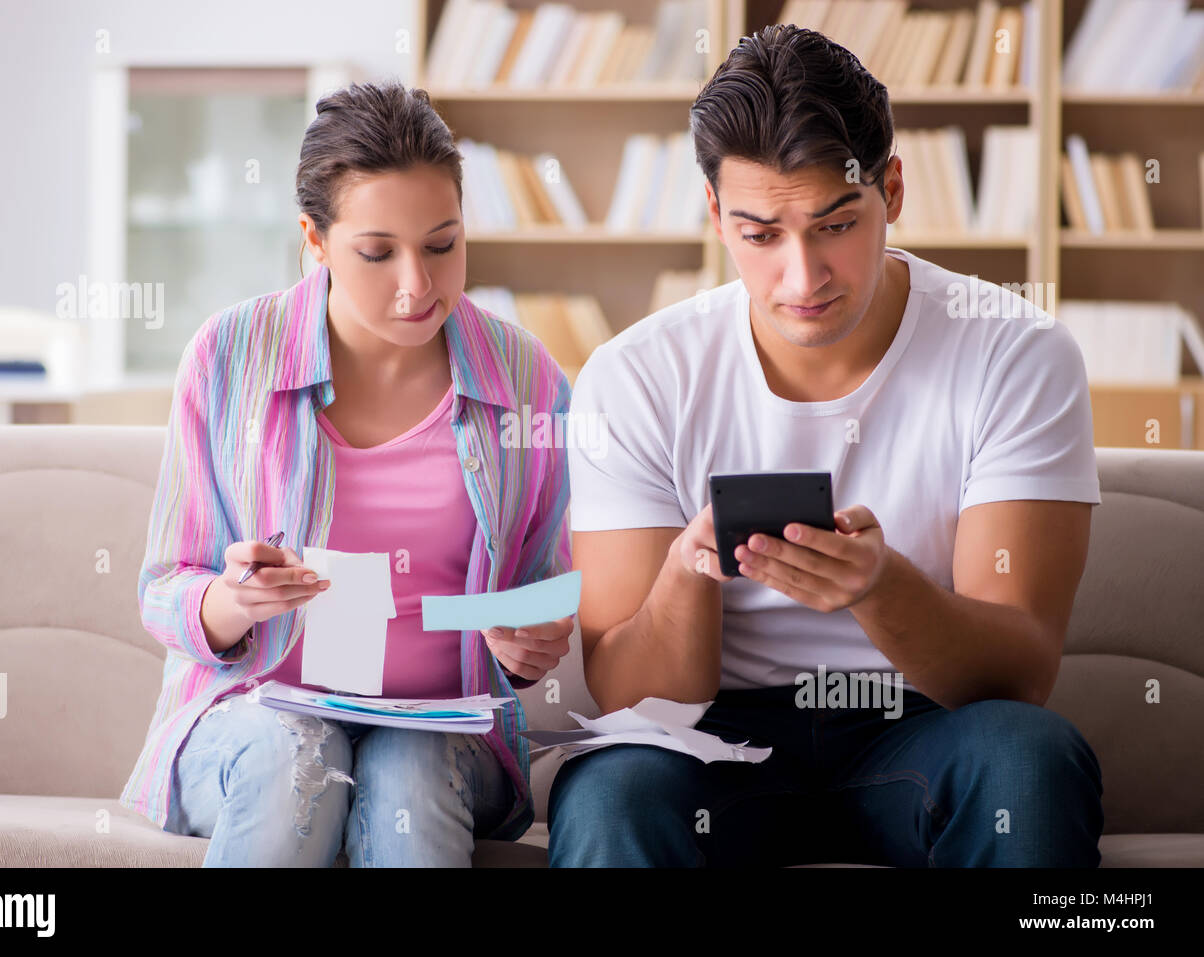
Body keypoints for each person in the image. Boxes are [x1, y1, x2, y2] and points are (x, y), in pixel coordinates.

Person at [548, 24, 1104, 867]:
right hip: (713, 736)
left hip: (925, 723)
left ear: (893, 187)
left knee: (1028, 762)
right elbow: (633, 698)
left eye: (836, 224)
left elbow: (1020, 674)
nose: (802, 279)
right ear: (715, 216)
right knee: (612, 795)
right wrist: (687, 572)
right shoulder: (635, 377)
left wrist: (881, 589)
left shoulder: (1015, 354)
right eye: (762, 234)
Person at [119, 79, 575, 867]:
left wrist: (530, 636)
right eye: (377, 252)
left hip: (444, 728)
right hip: (253, 715)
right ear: (316, 239)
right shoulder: (229, 358)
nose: (417, 285)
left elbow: (556, 583)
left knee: (409, 766)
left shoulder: (527, 379)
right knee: (298, 758)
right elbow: (163, 587)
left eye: (442, 244)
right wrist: (232, 600)